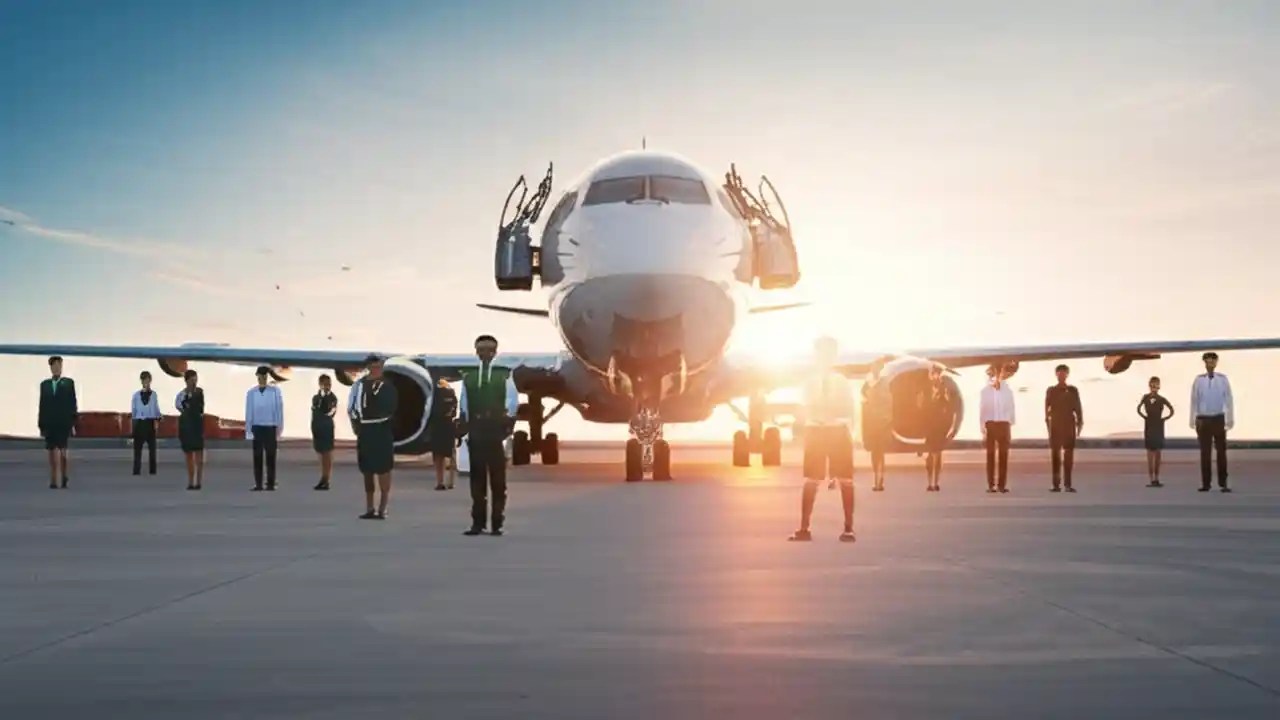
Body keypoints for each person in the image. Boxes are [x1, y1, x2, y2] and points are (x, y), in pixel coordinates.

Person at [790, 336, 857, 542]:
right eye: (821, 352)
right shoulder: (809, 382)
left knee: (846, 480)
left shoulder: (842, 382)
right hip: (816, 432)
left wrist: (829, 414)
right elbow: (804, 408)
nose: (824, 357)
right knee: (811, 480)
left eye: (828, 352)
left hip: (837, 431)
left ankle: (848, 529)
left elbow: (848, 409)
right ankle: (804, 529)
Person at [458, 334, 519, 536]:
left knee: (498, 481)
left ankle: (497, 522)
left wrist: (508, 423)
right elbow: (464, 400)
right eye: (481, 349)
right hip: (476, 428)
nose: (485, 353)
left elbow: (511, 399)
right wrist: (463, 422)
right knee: (477, 480)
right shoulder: (469, 375)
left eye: (489, 349)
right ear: (476, 351)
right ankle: (478, 522)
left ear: (495, 351)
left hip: (495, 429)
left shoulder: (504, 374)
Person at [350, 354, 399, 519]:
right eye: (372, 365)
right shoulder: (359, 385)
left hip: (382, 430)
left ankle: (383, 508)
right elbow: (352, 406)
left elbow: (393, 408)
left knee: (384, 469)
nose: (375, 368)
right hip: (366, 430)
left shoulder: (388, 386)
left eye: (378, 365)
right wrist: (356, 426)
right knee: (367, 470)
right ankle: (370, 507)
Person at [1190, 352, 1233, 492]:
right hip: (1203, 419)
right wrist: (1193, 419)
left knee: (1221, 452)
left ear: (1216, 363)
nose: (1210, 364)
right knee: (1205, 453)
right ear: (1205, 363)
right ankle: (1206, 483)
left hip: (1218, 418)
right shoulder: (1199, 380)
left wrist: (1230, 419)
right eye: (1208, 361)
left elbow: (1229, 399)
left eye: (1213, 361)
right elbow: (1194, 400)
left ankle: (1223, 482)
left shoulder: (1223, 379)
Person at [37, 355, 77, 489]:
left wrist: (73, 422)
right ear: (51, 368)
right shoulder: (45, 385)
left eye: (58, 366)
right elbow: (42, 404)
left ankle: (64, 475)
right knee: (51, 452)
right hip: (49, 422)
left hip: (63, 422)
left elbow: (73, 403)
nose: (56, 368)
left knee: (62, 452)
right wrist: (41, 423)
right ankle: (53, 479)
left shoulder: (68, 383)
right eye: (54, 366)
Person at [1044, 364, 1083, 493]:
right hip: (1055, 424)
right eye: (1059, 373)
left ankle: (1068, 484)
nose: (1062, 375)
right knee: (1055, 456)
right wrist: (1048, 426)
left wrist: (1080, 422)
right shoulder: (1051, 390)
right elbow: (1046, 409)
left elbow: (1078, 407)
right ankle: (1055, 484)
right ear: (1056, 375)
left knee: (1068, 456)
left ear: (1067, 374)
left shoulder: (1073, 390)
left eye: (1064, 373)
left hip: (1069, 425)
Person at [244, 366, 285, 491]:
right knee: (257, 457)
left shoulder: (275, 391)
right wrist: (249, 430)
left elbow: (279, 410)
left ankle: (271, 483)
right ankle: (258, 483)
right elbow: (249, 411)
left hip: (270, 426)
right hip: (257, 427)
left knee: (271, 456)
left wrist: (279, 427)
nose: (262, 379)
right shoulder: (251, 393)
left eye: (264, 376)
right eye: (260, 376)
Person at [980, 366, 1016, 493]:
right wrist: (982, 428)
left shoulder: (1007, 391)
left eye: (998, 373)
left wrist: (1010, 424)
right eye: (993, 374)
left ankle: (1002, 485)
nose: (996, 376)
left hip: (1004, 424)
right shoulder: (985, 391)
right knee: (990, 456)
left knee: (1003, 456)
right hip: (991, 424)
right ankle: (991, 485)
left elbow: (1011, 408)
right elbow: (982, 410)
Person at [921, 364, 954, 492]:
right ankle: (930, 481)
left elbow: (948, 407)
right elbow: (923, 408)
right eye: (934, 373)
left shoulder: (943, 389)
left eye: (937, 374)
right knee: (930, 456)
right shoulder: (926, 390)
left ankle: (936, 481)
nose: (935, 376)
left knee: (938, 455)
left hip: (939, 426)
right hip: (930, 426)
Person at [861, 360, 892, 492]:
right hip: (872, 422)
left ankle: (880, 480)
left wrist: (888, 419)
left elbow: (889, 401)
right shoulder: (868, 383)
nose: (874, 370)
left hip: (882, 422)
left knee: (880, 452)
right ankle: (876, 478)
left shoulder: (885, 383)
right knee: (875, 453)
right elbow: (863, 398)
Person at [1137, 376, 1174, 488]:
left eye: (1156, 385)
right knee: (1149, 453)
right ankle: (1151, 478)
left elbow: (1171, 410)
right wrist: (1145, 417)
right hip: (1149, 425)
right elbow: (1138, 409)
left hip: (1158, 425)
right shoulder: (1145, 397)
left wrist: (1164, 419)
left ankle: (1156, 478)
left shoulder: (1161, 399)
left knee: (1157, 453)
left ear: (1158, 386)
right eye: (1152, 385)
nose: (1154, 387)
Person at [176, 369, 206, 490]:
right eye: (192, 380)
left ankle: (198, 482)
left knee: (199, 455)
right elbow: (180, 407)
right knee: (189, 456)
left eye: (195, 379)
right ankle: (190, 481)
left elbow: (201, 408)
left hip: (197, 426)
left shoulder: (199, 392)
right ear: (186, 380)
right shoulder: (181, 395)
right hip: (187, 427)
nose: (194, 382)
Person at [428, 377, 458, 491]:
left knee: (438, 456)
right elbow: (455, 410)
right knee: (451, 454)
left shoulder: (433, 394)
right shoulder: (451, 393)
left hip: (437, 426)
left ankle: (440, 481)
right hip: (448, 425)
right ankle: (450, 481)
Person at [131, 371, 162, 476]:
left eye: (147, 380)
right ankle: (136, 470)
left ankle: (153, 471)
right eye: (144, 380)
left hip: (150, 422)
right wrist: (133, 425)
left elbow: (155, 407)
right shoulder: (136, 395)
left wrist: (158, 417)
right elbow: (134, 411)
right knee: (137, 449)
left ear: (150, 381)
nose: (146, 382)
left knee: (152, 449)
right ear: (141, 381)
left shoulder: (154, 395)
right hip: (140, 422)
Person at [311, 374, 339, 491]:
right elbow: (315, 412)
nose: (327, 386)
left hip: (327, 428)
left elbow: (328, 411)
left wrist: (324, 397)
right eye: (324, 384)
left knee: (327, 454)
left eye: (328, 384)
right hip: (318, 428)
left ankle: (326, 479)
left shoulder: (333, 398)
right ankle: (323, 478)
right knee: (320, 454)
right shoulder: (315, 398)